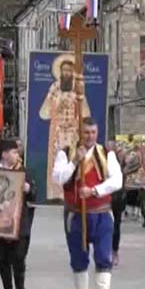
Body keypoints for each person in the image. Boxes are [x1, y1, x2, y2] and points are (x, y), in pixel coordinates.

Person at [52, 117, 123, 289]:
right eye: (86, 132)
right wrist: (75, 161)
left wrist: (94, 190)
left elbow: (117, 181)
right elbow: (58, 178)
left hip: (101, 213)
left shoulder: (106, 154)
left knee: (103, 258)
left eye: (93, 132)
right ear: (79, 133)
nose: (90, 136)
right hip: (75, 215)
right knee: (79, 259)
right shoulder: (65, 154)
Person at [0, 138, 36, 289]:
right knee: (3, 259)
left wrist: (28, 189)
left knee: (19, 257)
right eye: (14, 152)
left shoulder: (23, 171)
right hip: (0, 222)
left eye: (17, 151)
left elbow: (34, 195)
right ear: (4, 154)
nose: (17, 155)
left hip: (20, 221)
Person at [40, 56, 91, 198]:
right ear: (60, 72)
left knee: (73, 159)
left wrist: (77, 106)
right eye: (64, 70)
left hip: (72, 132)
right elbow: (44, 112)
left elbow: (85, 112)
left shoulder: (78, 88)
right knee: (58, 160)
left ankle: (72, 191)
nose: (67, 73)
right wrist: (56, 107)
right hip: (58, 131)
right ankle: (56, 193)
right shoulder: (55, 88)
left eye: (70, 70)